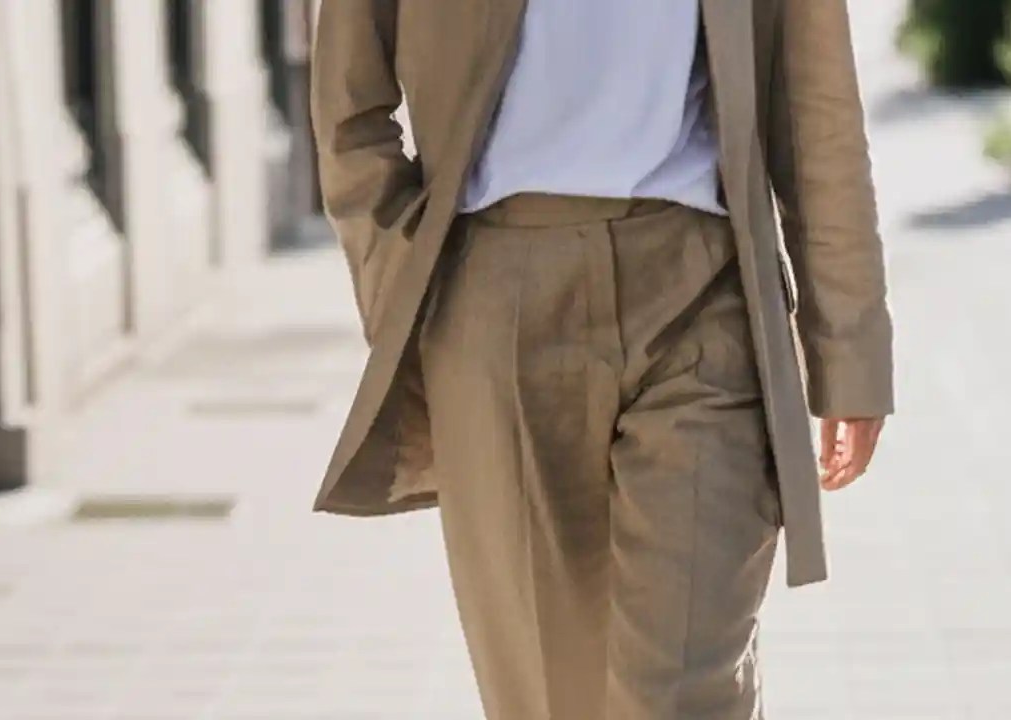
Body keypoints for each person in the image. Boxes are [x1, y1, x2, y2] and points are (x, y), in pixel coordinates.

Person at [309, 1, 894, 717]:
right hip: (496, 297)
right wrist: (404, 289)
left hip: (699, 294)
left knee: (683, 692)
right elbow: (349, 99)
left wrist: (850, 347)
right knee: (552, 700)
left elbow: (815, 104)